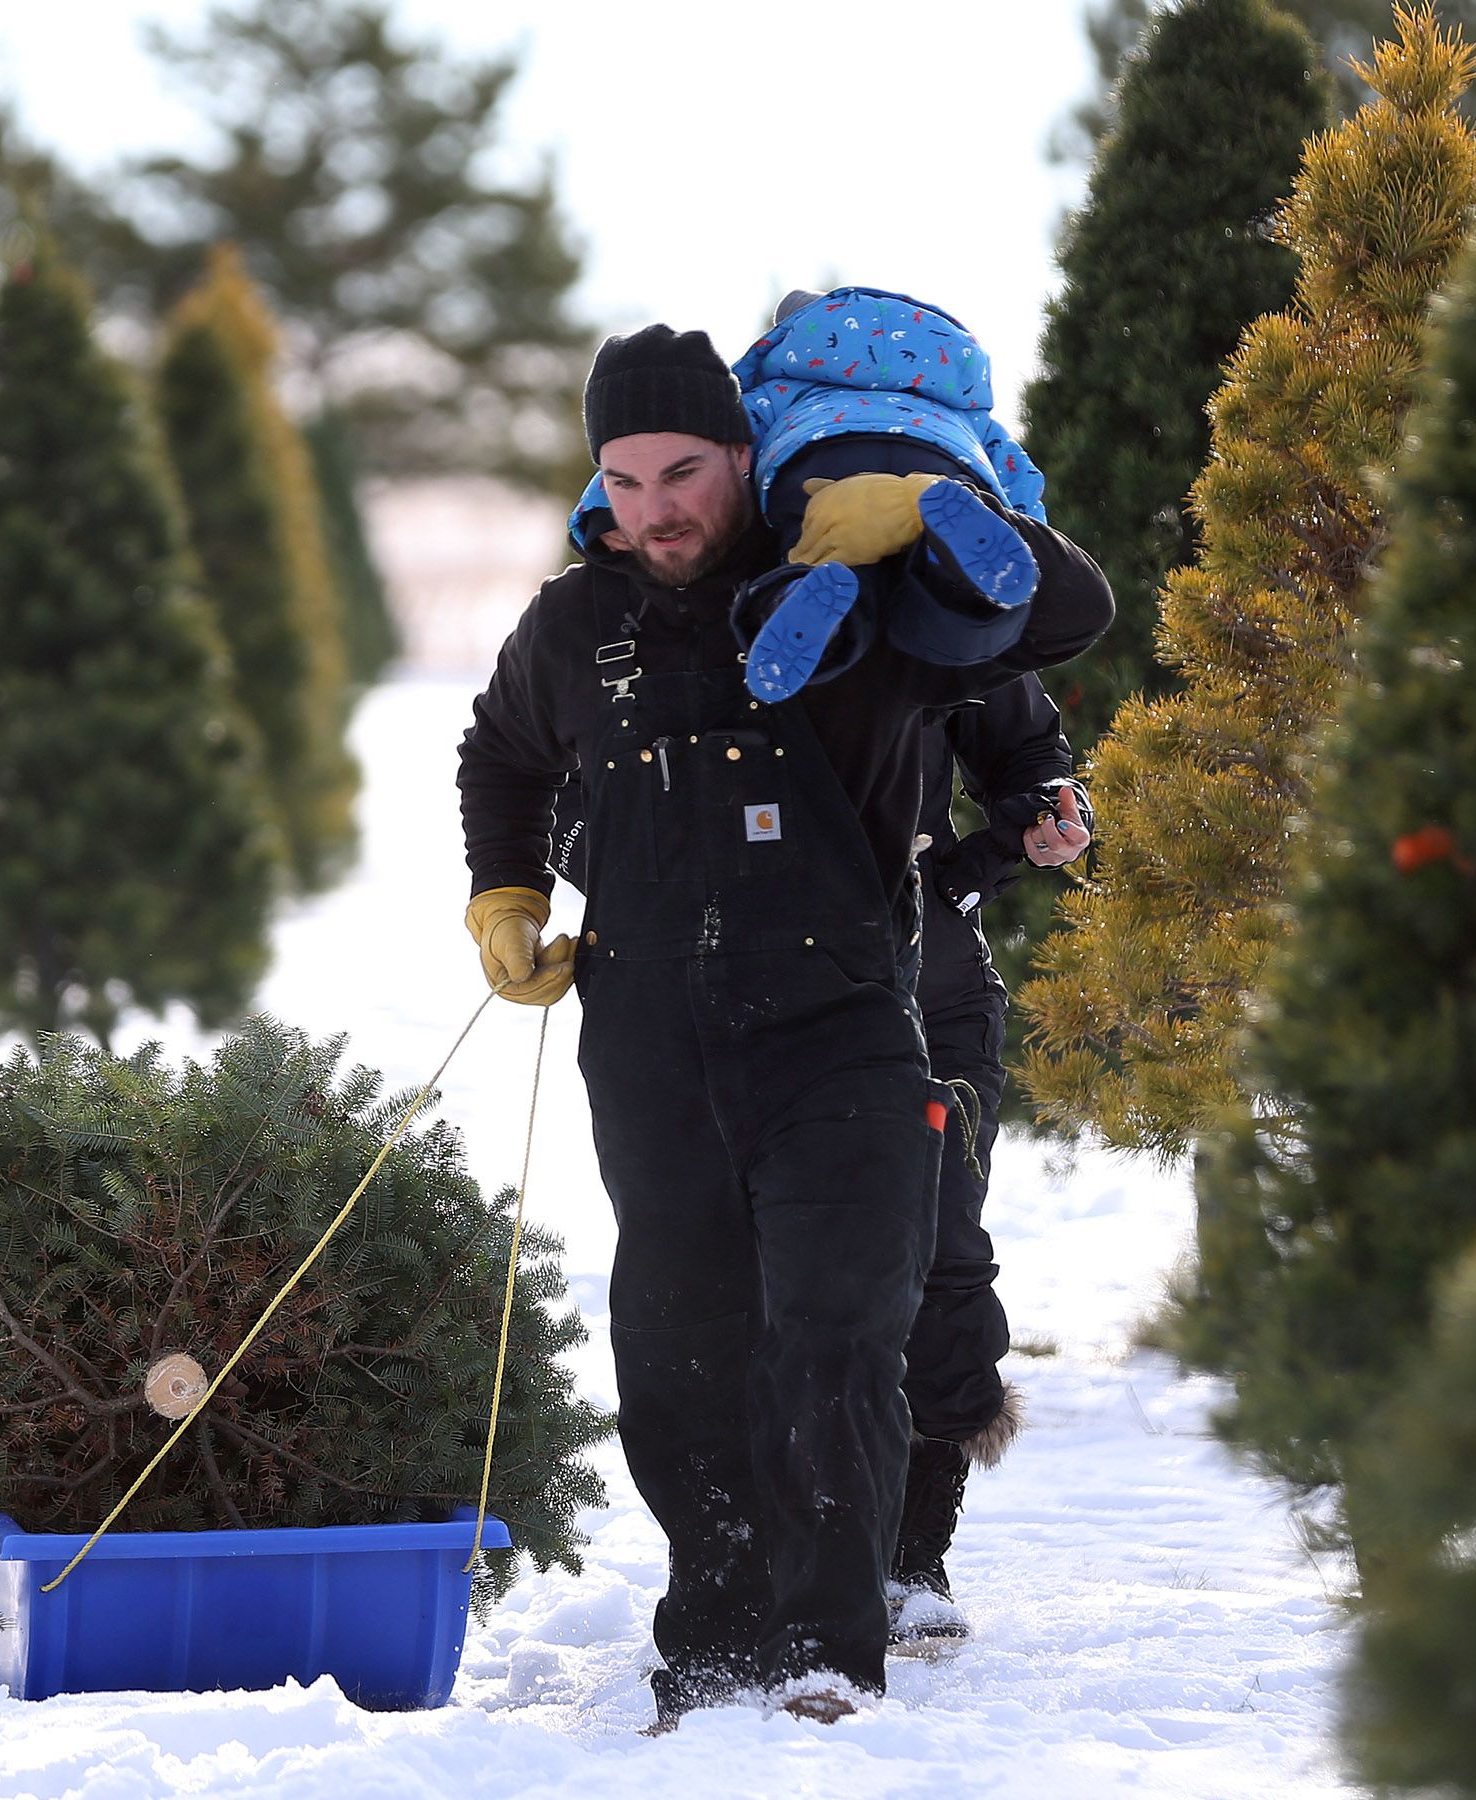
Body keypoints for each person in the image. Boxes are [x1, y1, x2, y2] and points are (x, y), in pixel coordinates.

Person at [457, 322, 1111, 1727]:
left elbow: (1065, 617)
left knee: (832, 1335)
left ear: (744, 457)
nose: (656, 510)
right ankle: (717, 1640)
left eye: (683, 473)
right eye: (622, 482)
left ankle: (824, 1650)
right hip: (647, 1035)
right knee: (679, 1348)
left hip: (843, 1028)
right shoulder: (577, 626)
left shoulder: (846, 594)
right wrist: (504, 895)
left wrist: (939, 516)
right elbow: (501, 754)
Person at [573, 286, 1051, 704]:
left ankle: (791, 598)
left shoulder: (788, 381)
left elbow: (726, 434)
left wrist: (597, 519)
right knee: (940, 611)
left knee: (819, 561)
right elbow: (1015, 467)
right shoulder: (955, 391)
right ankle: (963, 582)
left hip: (821, 462)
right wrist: (1021, 521)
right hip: (944, 460)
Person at [888, 679, 1092, 1652]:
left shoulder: (932, 587)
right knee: (760, 1276)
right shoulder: (669, 598)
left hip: (937, 998)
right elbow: (566, 797)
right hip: (742, 1003)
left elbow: (1029, 752)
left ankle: (911, 1563)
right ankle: (766, 1559)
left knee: (937, 1260)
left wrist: (1032, 828)